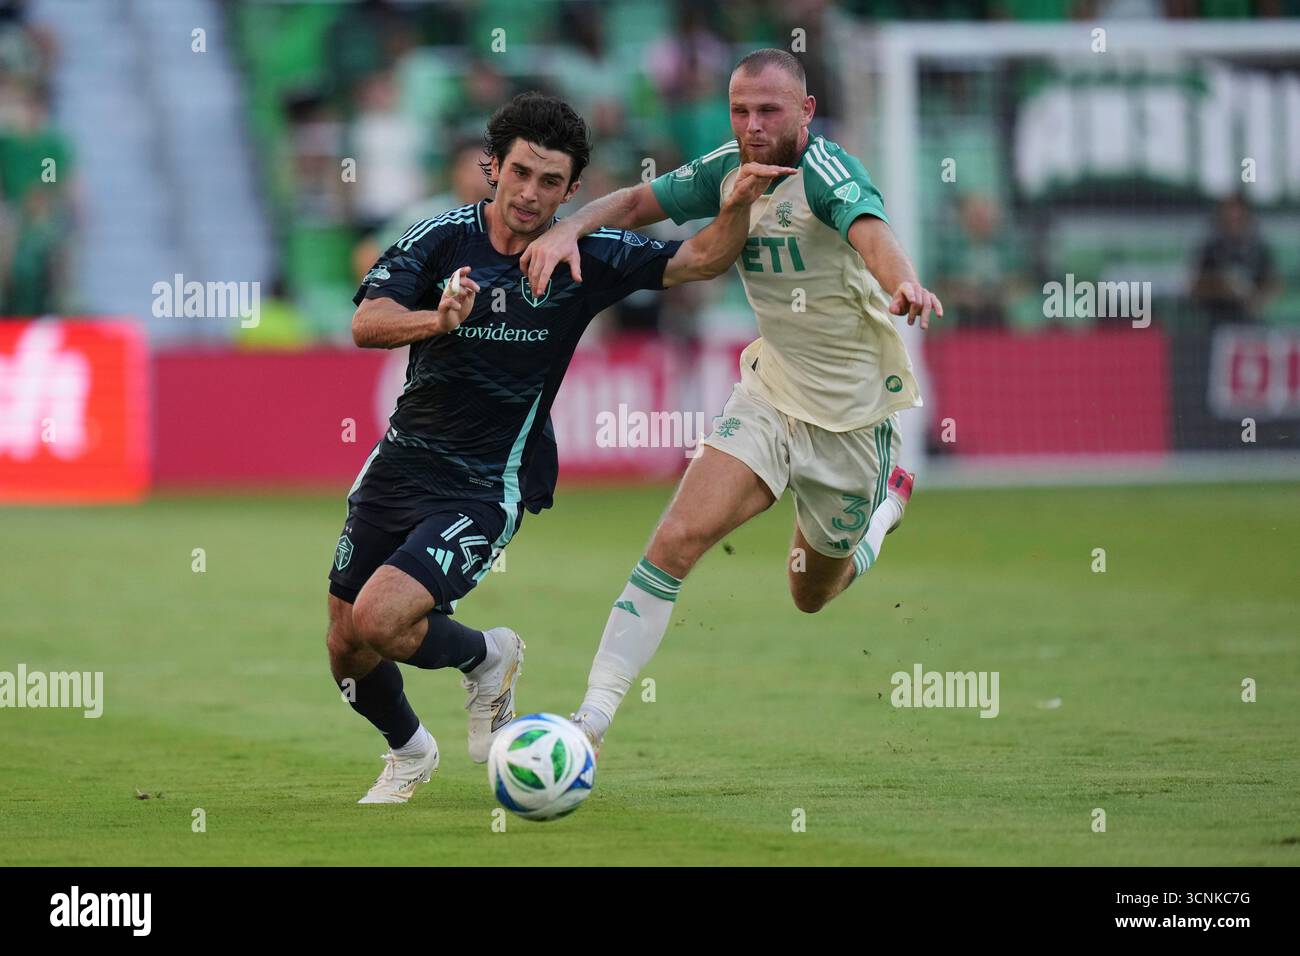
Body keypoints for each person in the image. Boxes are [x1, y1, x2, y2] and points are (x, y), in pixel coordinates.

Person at [327, 90, 794, 803]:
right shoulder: (442, 240)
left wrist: (733, 205)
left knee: (383, 618)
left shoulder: (588, 255)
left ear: (574, 189)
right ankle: (412, 752)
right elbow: (367, 322)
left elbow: (700, 260)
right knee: (345, 647)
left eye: (551, 183)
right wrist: (438, 318)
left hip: (489, 482)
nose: (530, 194)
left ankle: (489, 656)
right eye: (519, 173)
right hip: (399, 463)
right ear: (493, 167)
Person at [520, 49, 943, 751]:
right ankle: (590, 722)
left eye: (767, 110)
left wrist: (905, 282)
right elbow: (633, 201)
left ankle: (885, 507)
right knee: (674, 541)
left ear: (805, 111)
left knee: (811, 592)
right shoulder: (726, 168)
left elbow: (873, 233)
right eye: (740, 111)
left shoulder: (828, 173)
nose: (751, 125)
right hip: (771, 394)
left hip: (852, 419)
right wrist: (568, 226)